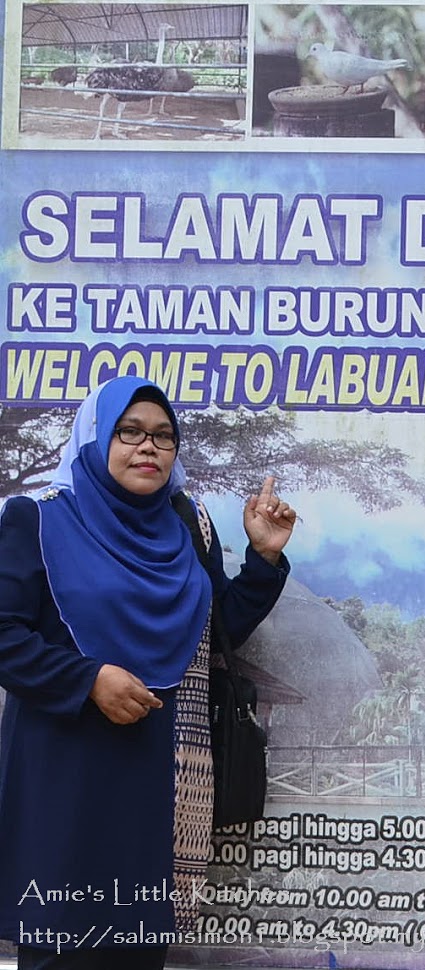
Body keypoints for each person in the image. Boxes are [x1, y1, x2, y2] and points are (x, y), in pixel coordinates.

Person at [0, 376, 297, 969]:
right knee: (61, 943)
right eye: (129, 431)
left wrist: (263, 556)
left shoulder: (187, 524)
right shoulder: (35, 520)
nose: (148, 448)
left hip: (155, 776)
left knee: (136, 951)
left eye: (164, 436)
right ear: (94, 438)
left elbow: (215, 633)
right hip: (65, 771)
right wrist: (86, 681)